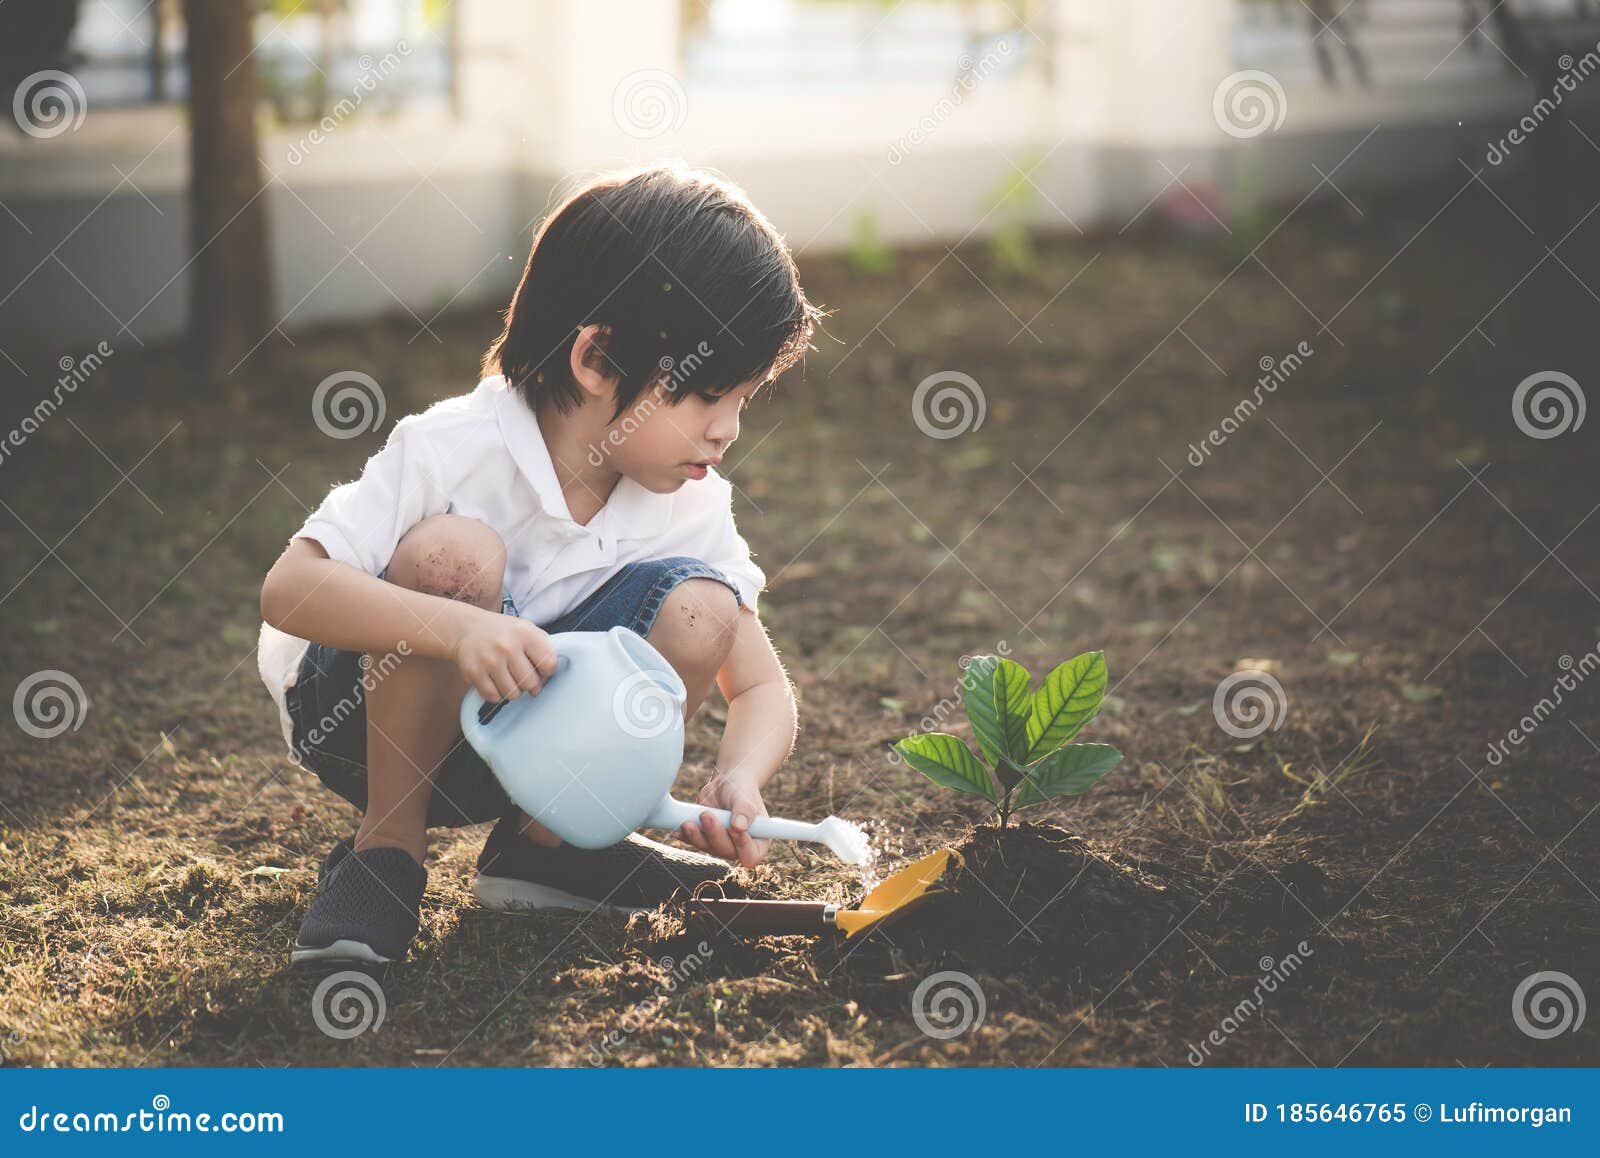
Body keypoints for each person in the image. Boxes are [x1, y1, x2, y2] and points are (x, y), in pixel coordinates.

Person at [257, 164, 824, 966]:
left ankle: (545, 849)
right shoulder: (452, 448)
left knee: (707, 606)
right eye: (708, 398)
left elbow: (760, 685)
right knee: (455, 555)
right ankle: (385, 854)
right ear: (597, 359)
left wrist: (740, 774)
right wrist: (456, 630)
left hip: (527, 756)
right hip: (362, 720)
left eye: (745, 399)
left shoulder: (689, 503)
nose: (728, 430)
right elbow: (288, 589)